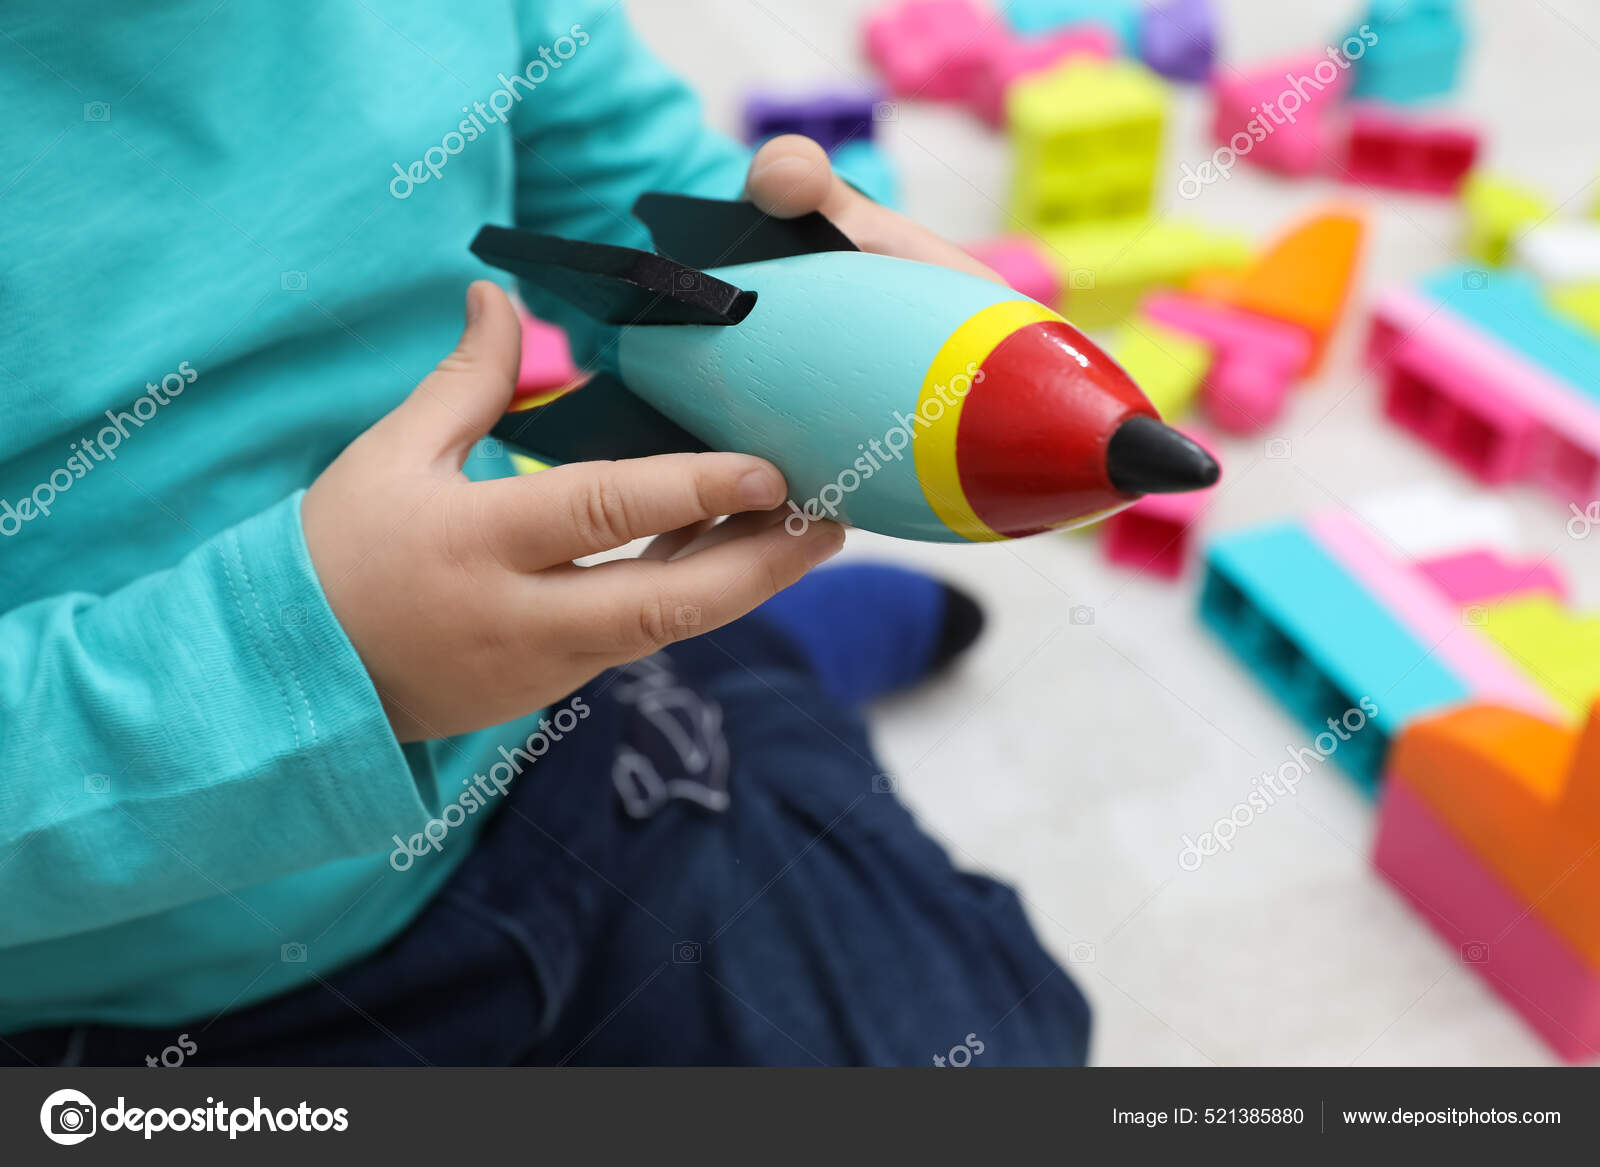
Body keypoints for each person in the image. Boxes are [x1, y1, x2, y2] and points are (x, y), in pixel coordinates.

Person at [0, 1, 1089, 1065]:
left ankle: (737, 666)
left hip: (540, 734)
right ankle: (744, 665)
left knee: (1004, 1044)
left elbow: (613, 178)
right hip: (136, 999)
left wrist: (789, 292)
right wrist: (317, 667)